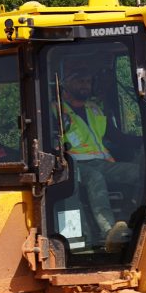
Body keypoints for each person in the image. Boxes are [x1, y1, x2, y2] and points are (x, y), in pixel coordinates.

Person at [58, 63, 139, 251]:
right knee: (96, 179)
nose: (85, 85)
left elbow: (116, 136)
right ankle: (109, 233)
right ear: (65, 84)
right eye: (79, 80)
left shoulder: (94, 109)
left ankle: (135, 223)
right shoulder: (56, 111)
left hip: (102, 162)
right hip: (73, 165)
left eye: (87, 81)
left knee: (139, 172)